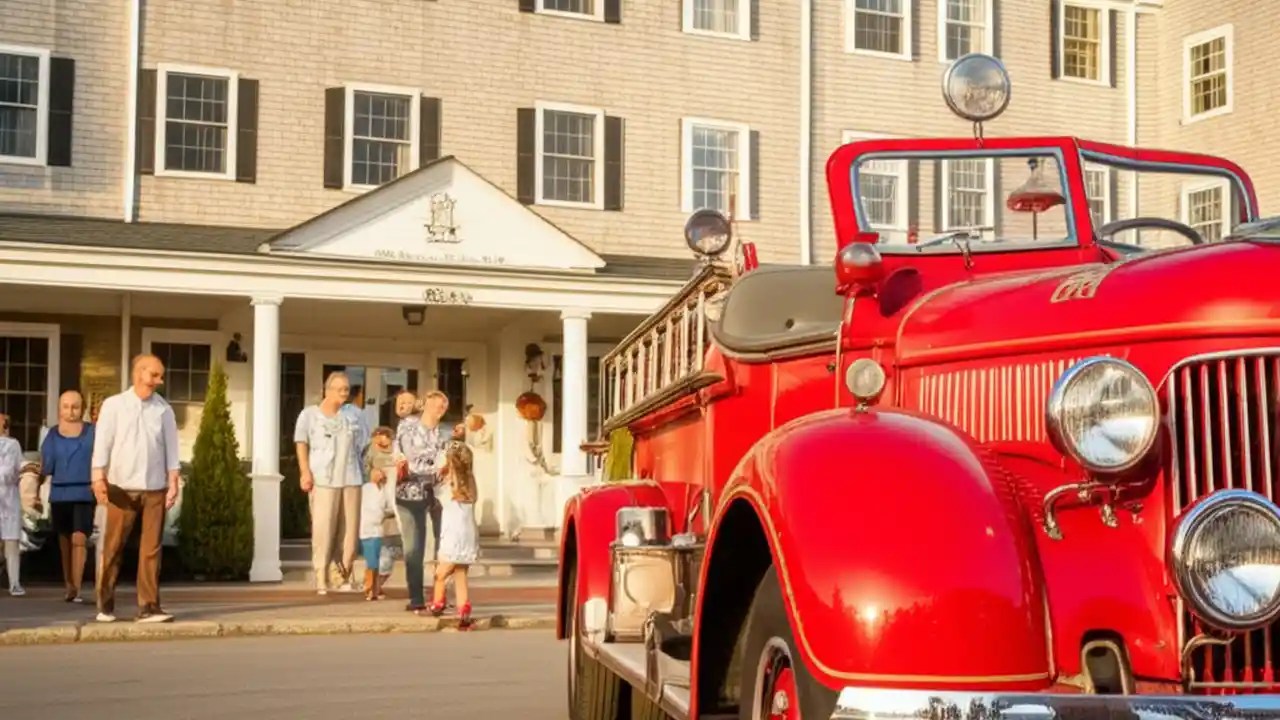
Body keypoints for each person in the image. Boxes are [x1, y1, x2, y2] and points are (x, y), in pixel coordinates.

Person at [92, 354, 181, 623]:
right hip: (121, 486)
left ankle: (149, 606)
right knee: (114, 546)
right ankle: (105, 605)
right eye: (154, 375)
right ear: (139, 373)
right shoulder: (114, 405)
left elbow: (172, 448)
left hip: (155, 486)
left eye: (160, 376)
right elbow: (102, 443)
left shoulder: (163, 409)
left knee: (151, 548)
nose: (159, 381)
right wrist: (98, 478)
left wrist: (173, 480)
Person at [295, 371, 369, 595]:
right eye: (340, 389)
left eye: (347, 389)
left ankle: (344, 575)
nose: (344, 393)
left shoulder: (355, 414)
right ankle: (321, 575)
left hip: (351, 477)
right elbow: (301, 442)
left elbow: (365, 444)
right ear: (327, 390)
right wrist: (304, 471)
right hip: (323, 478)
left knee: (349, 530)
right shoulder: (310, 415)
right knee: (323, 527)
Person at [394, 390, 451, 613]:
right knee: (414, 547)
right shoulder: (407, 426)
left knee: (444, 544)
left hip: (438, 493)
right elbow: (410, 457)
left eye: (444, 407)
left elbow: (450, 460)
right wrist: (436, 466)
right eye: (436, 405)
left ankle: (440, 595)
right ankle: (416, 597)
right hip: (409, 492)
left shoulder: (445, 433)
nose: (440, 410)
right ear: (426, 405)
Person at [41, 390, 96, 603]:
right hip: (60, 493)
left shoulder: (93, 432)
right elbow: (46, 466)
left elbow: (102, 458)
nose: (70, 411)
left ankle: (78, 587)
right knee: (64, 539)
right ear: (59, 409)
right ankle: (69, 585)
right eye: (66, 406)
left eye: (75, 406)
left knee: (79, 537)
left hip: (84, 491)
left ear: (82, 409)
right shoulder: (52, 435)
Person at [429, 440, 479, 628]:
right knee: (460, 572)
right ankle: (463, 608)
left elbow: (435, 493)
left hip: (452, 533)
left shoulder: (449, 484)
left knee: (441, 573)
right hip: (467, 534)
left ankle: (437, 603)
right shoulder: (470, 484)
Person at [360, 425, 398, 601]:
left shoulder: (399, 451)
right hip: (375, 507)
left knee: (391, 551)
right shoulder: (368, 452)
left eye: (386, 437)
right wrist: (371, 473)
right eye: (377, 437)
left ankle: (376, 584)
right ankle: (372, 586)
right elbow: (361, 468)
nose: (382, 441)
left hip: (396, 506)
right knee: (377, 549)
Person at [0, 414, 25, 596]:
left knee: (11, 543)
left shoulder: (13, 445)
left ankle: (14, 583)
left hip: (8, 498)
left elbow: (11, 472)